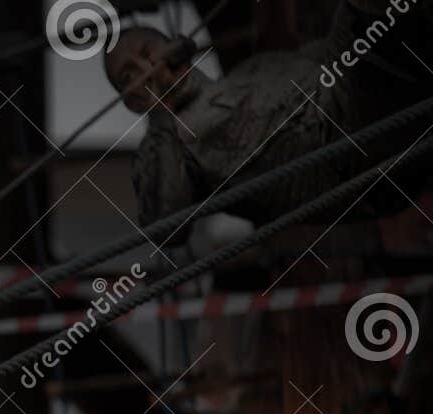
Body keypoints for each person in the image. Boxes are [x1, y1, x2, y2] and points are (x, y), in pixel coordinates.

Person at [104, 2, 432, 239]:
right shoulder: (172, 146)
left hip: (373, 103)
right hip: (352, 155)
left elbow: (330, 58)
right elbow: (166, 226)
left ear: (174, 44)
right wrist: (160, 112)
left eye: (147, 52)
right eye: (129, 76)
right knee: (365, 16)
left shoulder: (256, 69)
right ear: (132, 102)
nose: (145, 71)